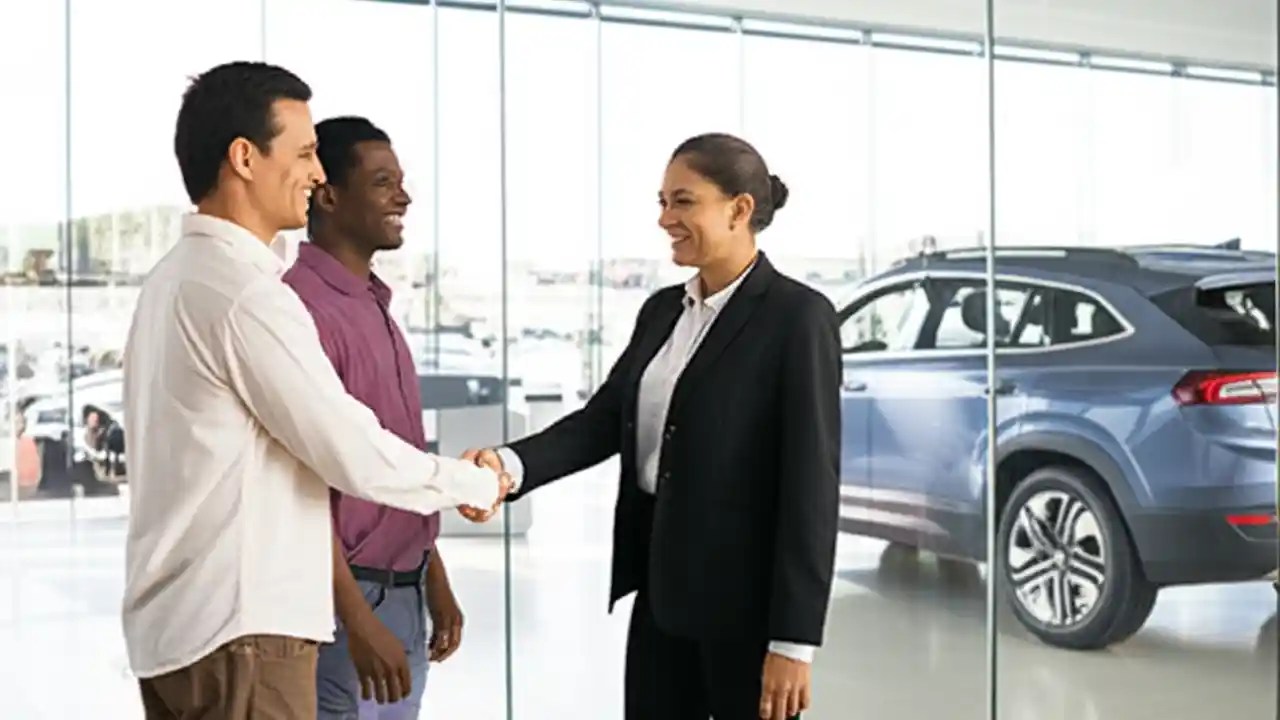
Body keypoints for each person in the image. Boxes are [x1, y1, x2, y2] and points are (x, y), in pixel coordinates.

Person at [121, 62, 509, 720]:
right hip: (242, 637)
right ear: (245, 158)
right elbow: (350, 452)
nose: (317, 173)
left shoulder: (174, 280)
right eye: (303, 153)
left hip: (184, 635)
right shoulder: (248, 296)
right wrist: (477, 484)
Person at [465, 132, 841, 720]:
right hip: (662, 600)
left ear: (740, 210)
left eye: (683, 201)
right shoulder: (664, 309)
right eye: (662, 202)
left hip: (746, 618)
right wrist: (510, 466)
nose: (665, 218)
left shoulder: (798, 317)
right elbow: (606, 418)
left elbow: (811, 490)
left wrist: (794, 643)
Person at [282, 116, 461, 719]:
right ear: (328, 194)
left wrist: (434, 579)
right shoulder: (299, 308)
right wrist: (356, 619)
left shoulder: (374, 304)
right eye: (383, 182)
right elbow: (301, 487)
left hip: (403, 596)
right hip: (344, 609)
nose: (403, 197)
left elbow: (395, 463)